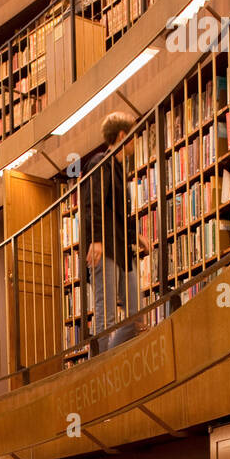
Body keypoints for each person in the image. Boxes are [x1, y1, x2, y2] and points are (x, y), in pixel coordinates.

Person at [80, 111, 149, 350]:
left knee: (135, 314)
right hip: (105, 248)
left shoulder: (120, 169)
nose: (135, 141)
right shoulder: (102, 162)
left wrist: (134, 237)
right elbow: (92, 204)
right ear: (122, 135)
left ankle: (111, 358)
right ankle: (99, 367)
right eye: (133, 136)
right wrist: (96, 240)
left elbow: (117, 213)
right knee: (106, 314)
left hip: (120, 248)